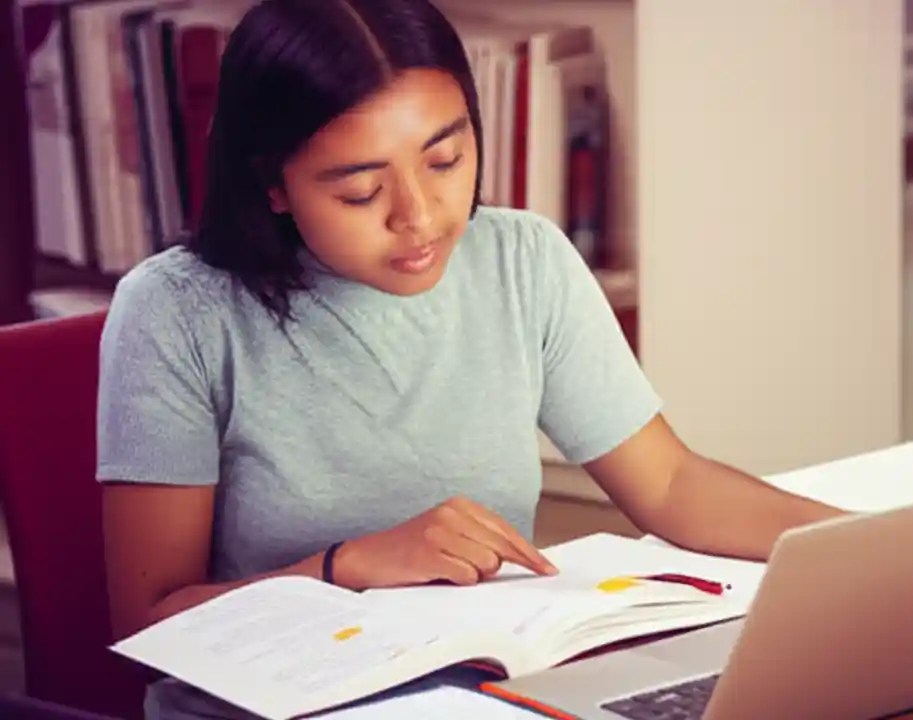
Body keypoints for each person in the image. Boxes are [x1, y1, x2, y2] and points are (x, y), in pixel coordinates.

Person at [96, 0, 845, 716]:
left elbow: (673, 483)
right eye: (361, 192)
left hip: (489, 699)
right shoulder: (178, 312)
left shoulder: (524, 260)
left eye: (446, 160)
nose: (420, 217)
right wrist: (343, 567)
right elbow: (149, 623)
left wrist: (862, 545)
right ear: (273, 186)